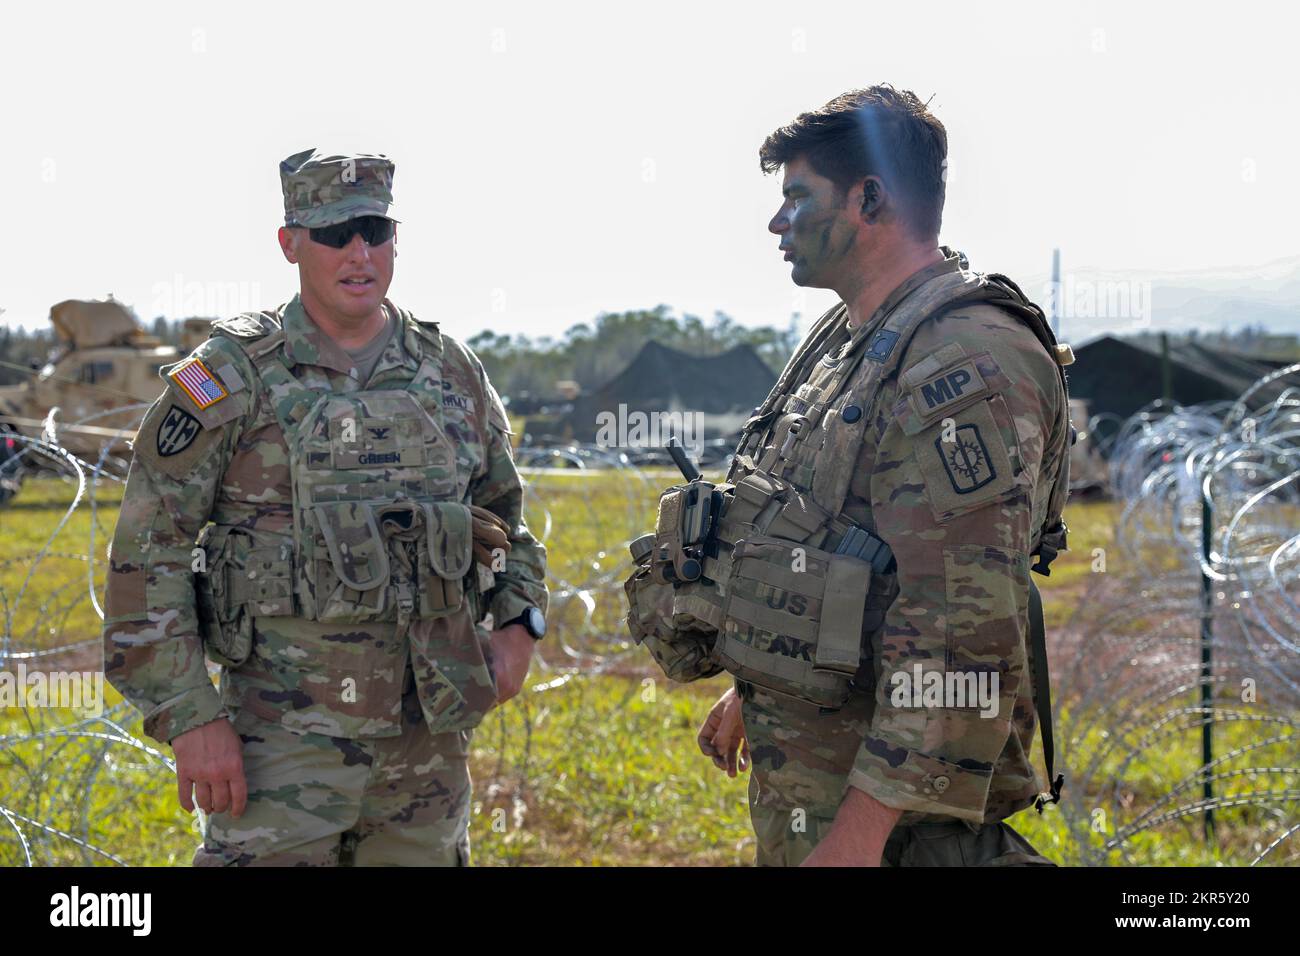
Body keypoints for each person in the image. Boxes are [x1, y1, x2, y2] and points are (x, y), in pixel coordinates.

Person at [628, 86, 1072, 866]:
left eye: (799, 197)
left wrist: (859, 837)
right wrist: (759, 684)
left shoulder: (960, 361)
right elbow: (831, 545)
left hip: (896, 831)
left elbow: (959, 631)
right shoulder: (851, 341)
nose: (777, 222)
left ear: (870, 199)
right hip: (820, 793)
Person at [102, 148, 548, 866]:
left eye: (375, 229)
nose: (359, 252)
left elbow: (506, 523)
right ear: (290, 243)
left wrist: (521, 624)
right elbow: (146, 551)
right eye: (334, 233)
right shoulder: (231, 376)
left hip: (425, 744)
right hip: (282, 744)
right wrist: (189, 717)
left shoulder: (450, 370)